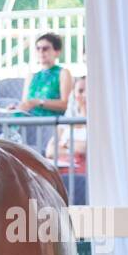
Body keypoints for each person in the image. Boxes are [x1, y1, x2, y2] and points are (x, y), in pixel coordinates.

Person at [13, 32, 72, 152]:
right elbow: (26, 103)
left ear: (57, 52)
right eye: (38, 48)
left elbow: (65, 104)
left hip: (50, 126)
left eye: (45, 48)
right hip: (29, 125)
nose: (41, 52)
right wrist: (16, 107)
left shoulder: (63, 73)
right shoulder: (31, 76)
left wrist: (38, 102)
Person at [46, 75, 87, 203]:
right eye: (80, 91)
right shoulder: (66, 121)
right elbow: (50, 151)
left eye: (89, 90)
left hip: (82, 173)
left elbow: (86, 148)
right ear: (74, 95)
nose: (85, 95)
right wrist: (74, 147)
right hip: (60, 170)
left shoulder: (99, 121)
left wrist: (65, 144)